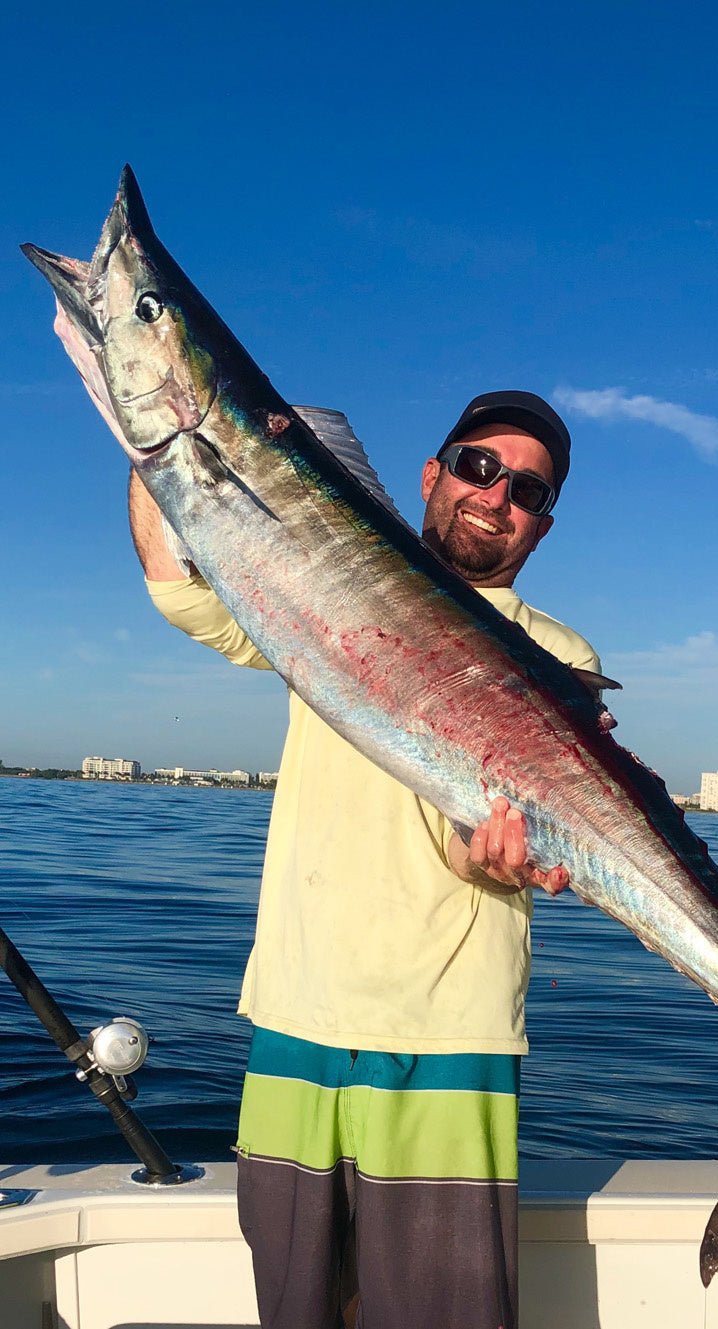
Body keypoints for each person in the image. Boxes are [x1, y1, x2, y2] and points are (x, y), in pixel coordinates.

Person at [127, 391, 599, 1329]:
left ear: (542, 524)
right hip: (293, 1021)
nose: (496, 493)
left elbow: (518, 851)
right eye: (477, 465)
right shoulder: (311, 595)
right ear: (433, 474)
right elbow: (177, 580)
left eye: (527, 488)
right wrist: (157, 421)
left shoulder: (556, 654)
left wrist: (493, 860)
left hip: (448, 1043)